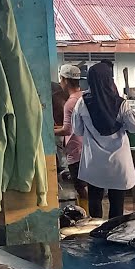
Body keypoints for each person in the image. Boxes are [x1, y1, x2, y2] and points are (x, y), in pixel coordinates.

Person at [73, 61, 135, 218]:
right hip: (118, 162)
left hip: (94, 162)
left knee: (94, 201)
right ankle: (114, 235)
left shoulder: (82, 102)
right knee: (117, 204)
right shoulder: (121, 104)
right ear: (109, 80)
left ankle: (95, 237)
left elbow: (77, 130)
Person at [54, 64, 85, 200]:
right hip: (88, 149)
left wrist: (49, 132)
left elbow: (67, 129)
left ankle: (87, 214)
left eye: (61, 80)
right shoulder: (85, 97)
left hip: (75, 150)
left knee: (81, 188)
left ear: (65, 80)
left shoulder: (70, 103)